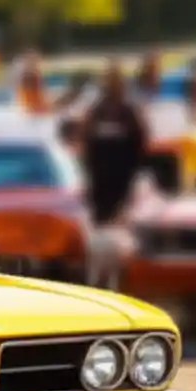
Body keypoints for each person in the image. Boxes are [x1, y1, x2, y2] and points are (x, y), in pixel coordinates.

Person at [80, 63, 149, 290]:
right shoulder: (96, 111)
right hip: (100, 185)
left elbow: (141, 144)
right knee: (99, 239)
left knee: (122, 237)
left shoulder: (129, 112)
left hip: (123, 184)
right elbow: (85, 146)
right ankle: (97, 284)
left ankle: (120, 283)